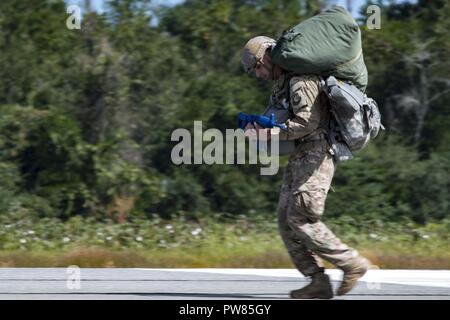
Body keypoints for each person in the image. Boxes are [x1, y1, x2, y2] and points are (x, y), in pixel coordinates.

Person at [241, 36, 371, 299]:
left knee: (301, 216)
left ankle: (351, 264)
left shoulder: (301, 81)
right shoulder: (282, 85)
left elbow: (307, 123)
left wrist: (271, 135)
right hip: (301, 153)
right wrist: (261, 129)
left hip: (317, 151)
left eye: (257, 67)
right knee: (285, 220)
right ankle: (317, 280)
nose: (258, 74)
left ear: (266, 56)